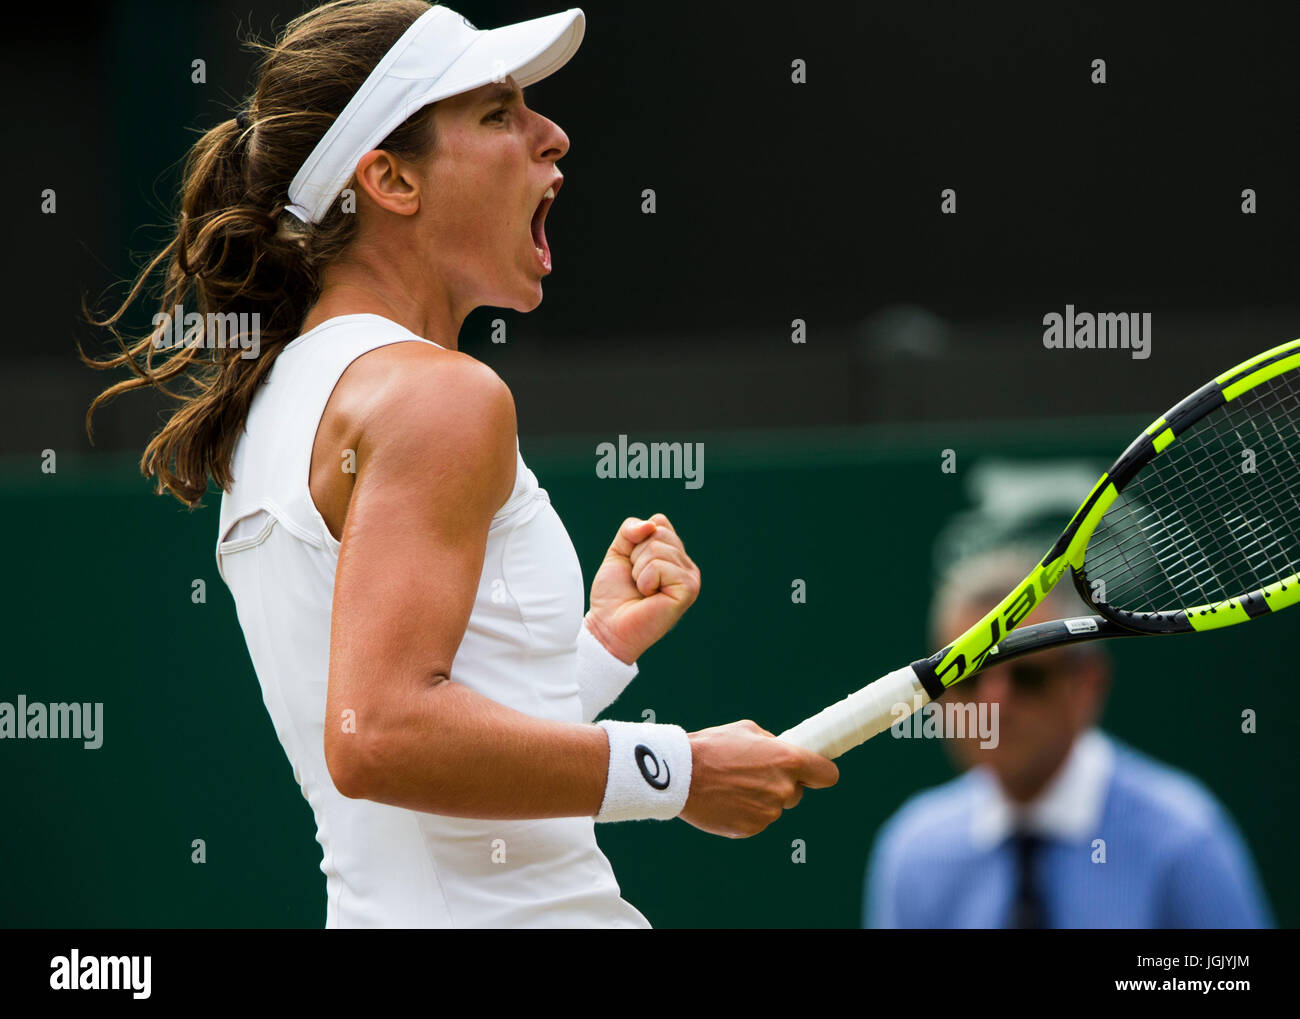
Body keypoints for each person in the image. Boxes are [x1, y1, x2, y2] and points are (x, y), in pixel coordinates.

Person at [84, 1, 836, 928]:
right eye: (499, 114)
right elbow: (383, 736)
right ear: (391, 180)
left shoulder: (279, 401)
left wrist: (593, 648)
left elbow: (410, 754)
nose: (552, 136)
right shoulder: (439, 394)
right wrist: (679, 769)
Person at [864, 546, 1273, 928]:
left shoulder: (1183, 841)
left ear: (1087, 685)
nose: (994, 705)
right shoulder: (912, 852)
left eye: (1028, 677)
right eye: (967, 680)